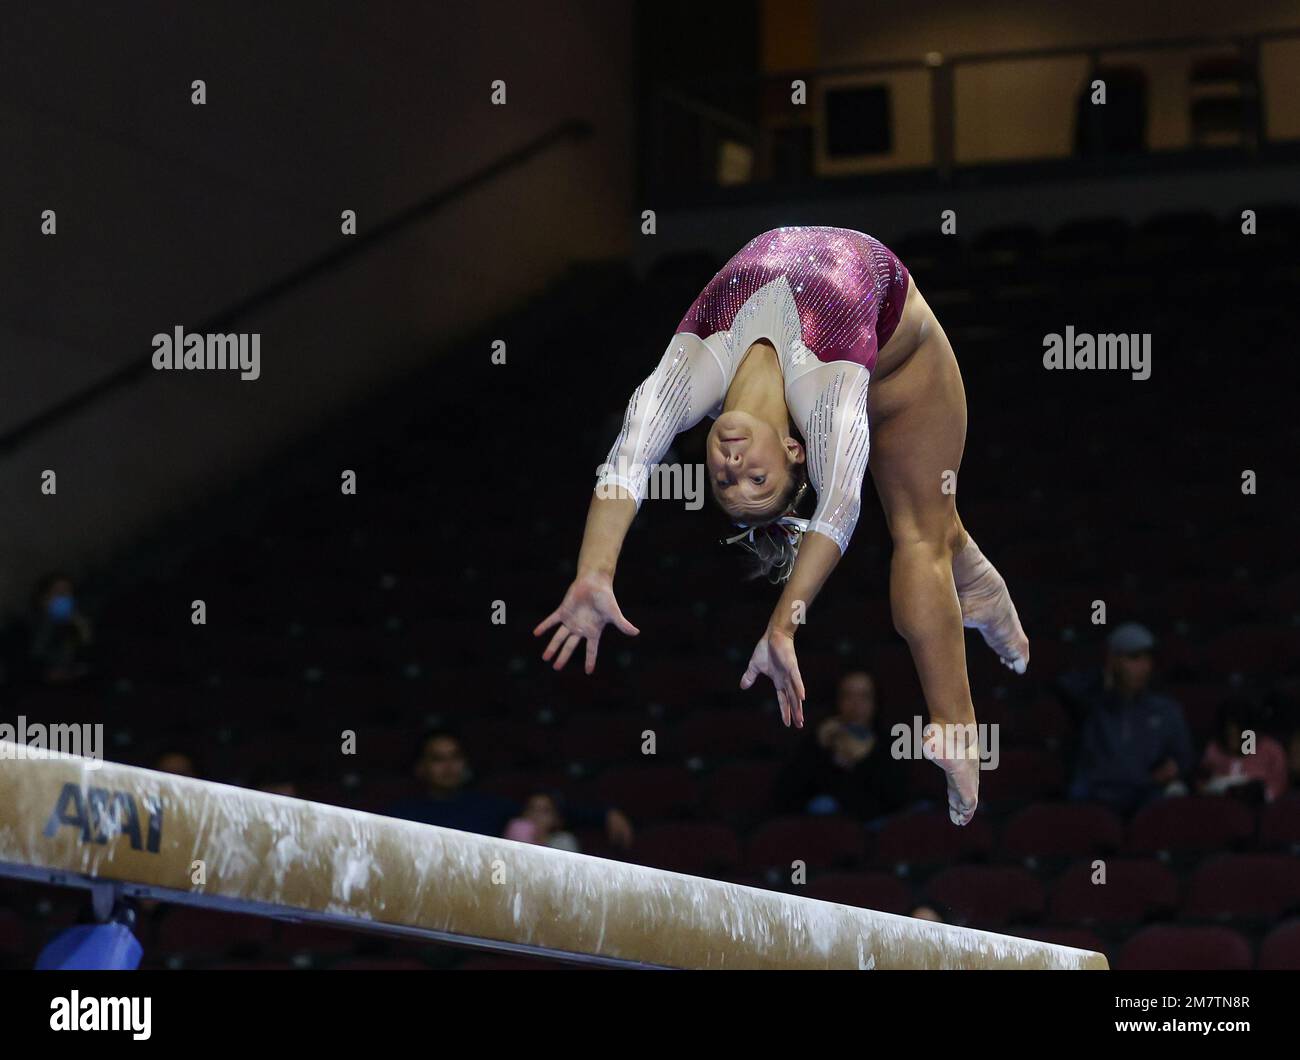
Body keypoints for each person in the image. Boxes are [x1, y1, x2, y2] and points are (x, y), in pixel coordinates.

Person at [535, 226, 1028, 825]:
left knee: (937, 527)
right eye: (755, 483)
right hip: (906, 368)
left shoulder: (696, 373)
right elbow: (839, 510)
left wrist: (595, 571)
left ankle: (973, 585)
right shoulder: (825, 400)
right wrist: (784, 625)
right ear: (796, 452)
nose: (733, 469)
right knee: (921, 534)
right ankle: (958, 727)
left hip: (891, 360)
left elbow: (628, 459)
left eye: (726, 484)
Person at [385, 730, 633, 846]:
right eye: (438, 759)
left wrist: (604, 814)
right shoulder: (403, 813)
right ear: (420, 768)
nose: (449, 766)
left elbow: (548, 812)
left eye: (455, 757)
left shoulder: (490, 807)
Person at [1061, 622, 1196, 814]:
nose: (1143, 667)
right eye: (1133, 658)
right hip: (1095, 799)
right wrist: (1104, 674)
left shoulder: (1165, 709)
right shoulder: (1090, 704)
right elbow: (1064, 686)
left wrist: (1176, 766)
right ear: (1113, 660)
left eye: (1147, 658)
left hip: (1146, 798)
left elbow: (1183, 756)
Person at [775, 670, 906, 821]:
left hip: (873, 825)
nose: (855, 705)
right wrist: (829, 752)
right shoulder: (820, 739)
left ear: (875, 702)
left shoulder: (889, 743)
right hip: (825, 828)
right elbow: (787, 795)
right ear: (838, 700)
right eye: (848, 696)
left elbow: (894, 800)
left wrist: (860, 761)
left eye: (864, 696)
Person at [1199, 697, 1288, 803]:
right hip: (1219, 807)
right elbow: (1202, 781)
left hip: (1258, 810)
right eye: (1229, 732)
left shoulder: (1271, 750)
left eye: (1237, 732)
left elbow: (1279, 784)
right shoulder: (1214, 749)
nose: (1232, 736)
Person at [505, 793, 581, 852]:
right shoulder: (515, 833)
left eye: (545, 811)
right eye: (532, 809)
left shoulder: (564, 841)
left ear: (556, 818)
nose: (536, 815)